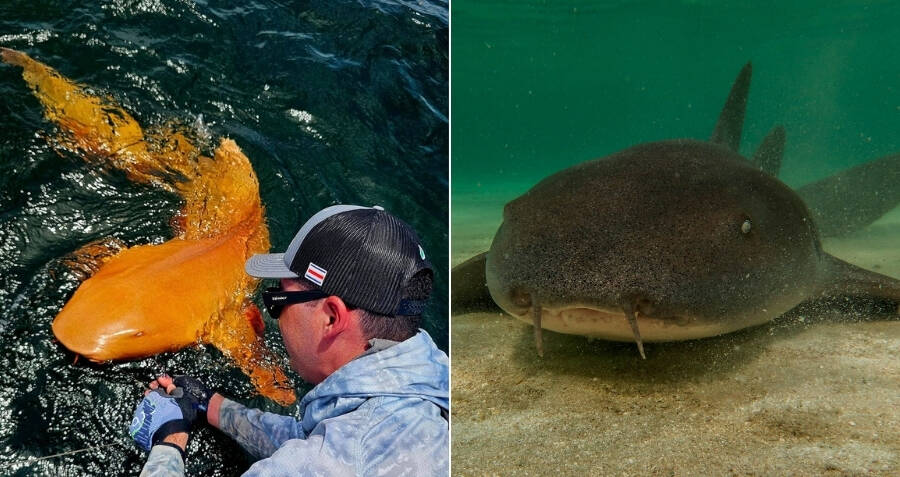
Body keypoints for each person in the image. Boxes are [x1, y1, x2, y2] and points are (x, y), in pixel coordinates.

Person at [128, 204, 450, 476]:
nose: (273, 317)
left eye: (278, 300)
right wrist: (210, 404)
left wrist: (169, 442)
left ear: (331, 318)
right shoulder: (427, 379)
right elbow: (309, 438)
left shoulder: (347, 455)